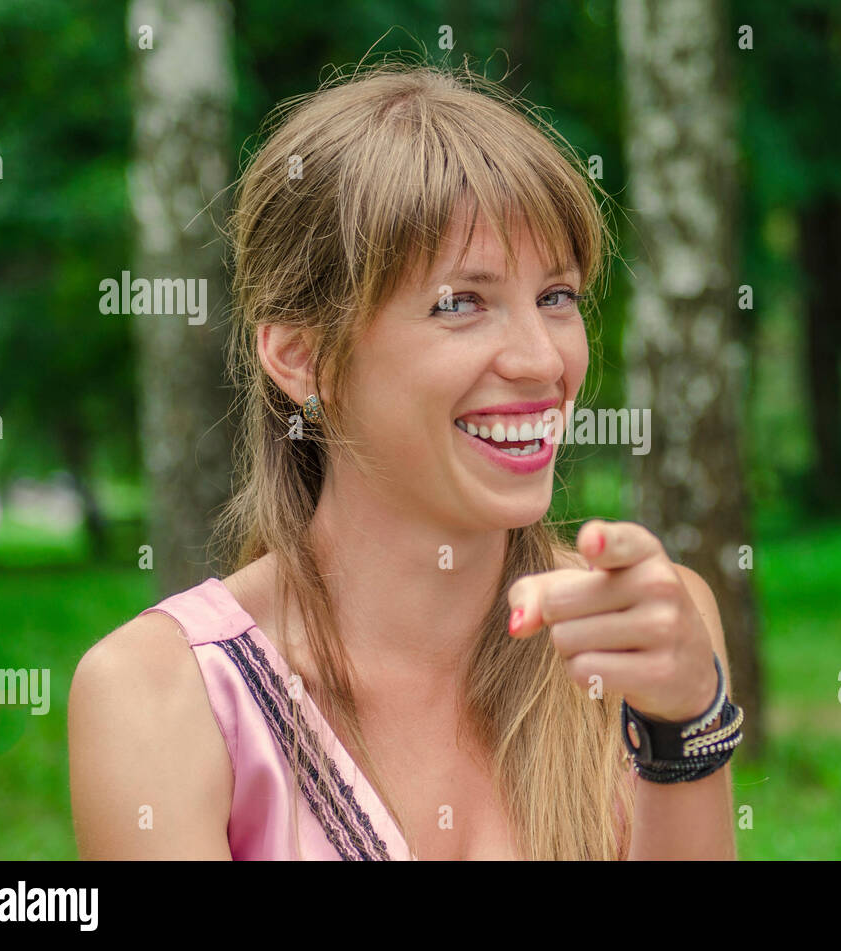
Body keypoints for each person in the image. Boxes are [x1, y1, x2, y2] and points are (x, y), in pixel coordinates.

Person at [68, 61, 742, 861]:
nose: (541, 360)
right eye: (461, 302)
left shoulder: (644, 636)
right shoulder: (162, 692)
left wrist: (684, 730)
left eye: (556, 296)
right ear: (301, 356)